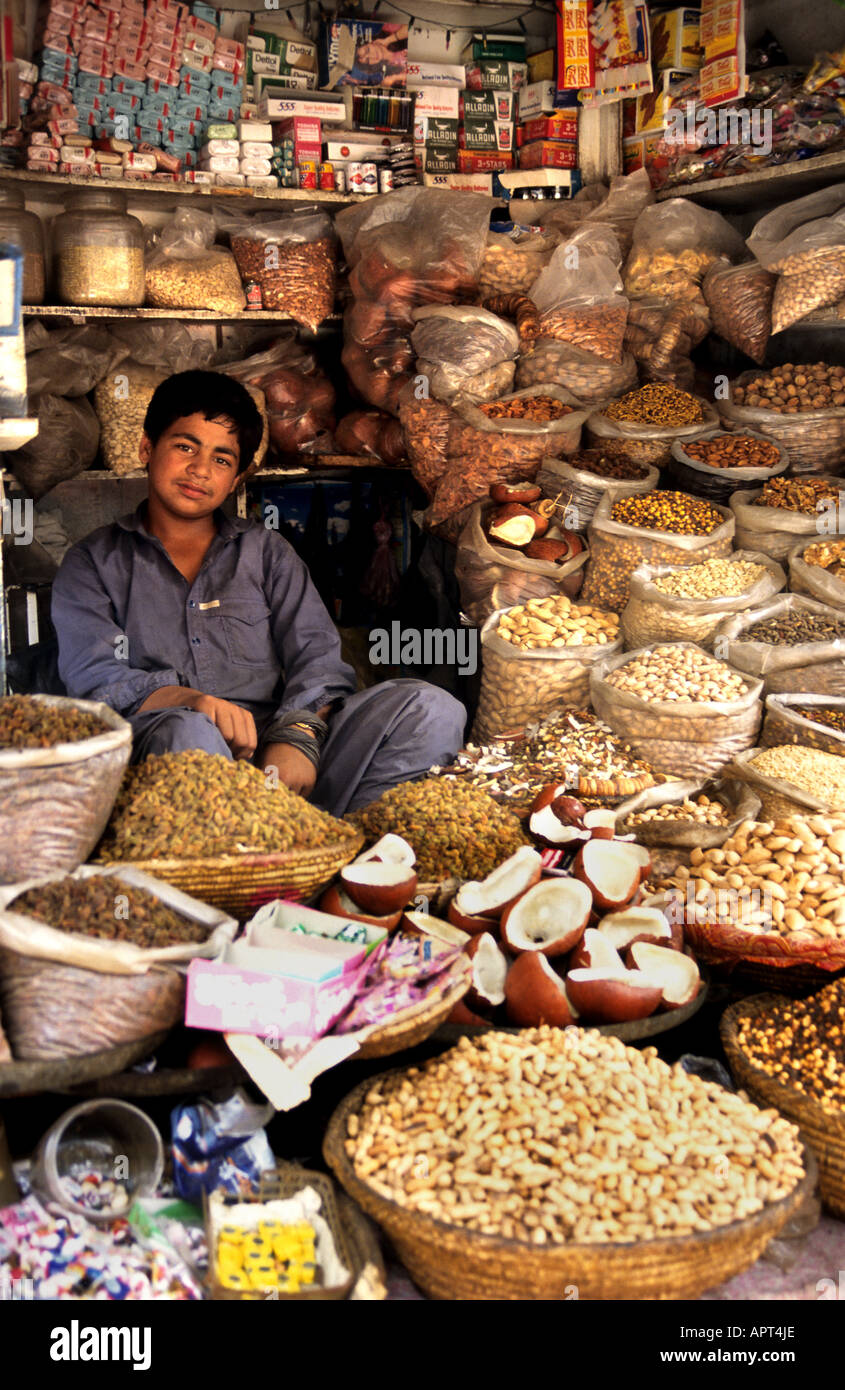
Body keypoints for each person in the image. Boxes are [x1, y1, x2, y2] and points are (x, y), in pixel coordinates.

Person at [51, 369, 467, 816]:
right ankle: (230, 873)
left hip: (283, 768)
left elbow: (317, 659)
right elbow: (98, 682)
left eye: (222, 459)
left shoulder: (265, 553)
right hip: (169, 773)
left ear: (236, 480)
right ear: (147, 449)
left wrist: (297, 736)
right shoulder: (92, 563)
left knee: (429, 707)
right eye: (185, 446)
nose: (199, 470)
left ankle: (354, 862)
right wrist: (189, 701)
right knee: (189, 733)